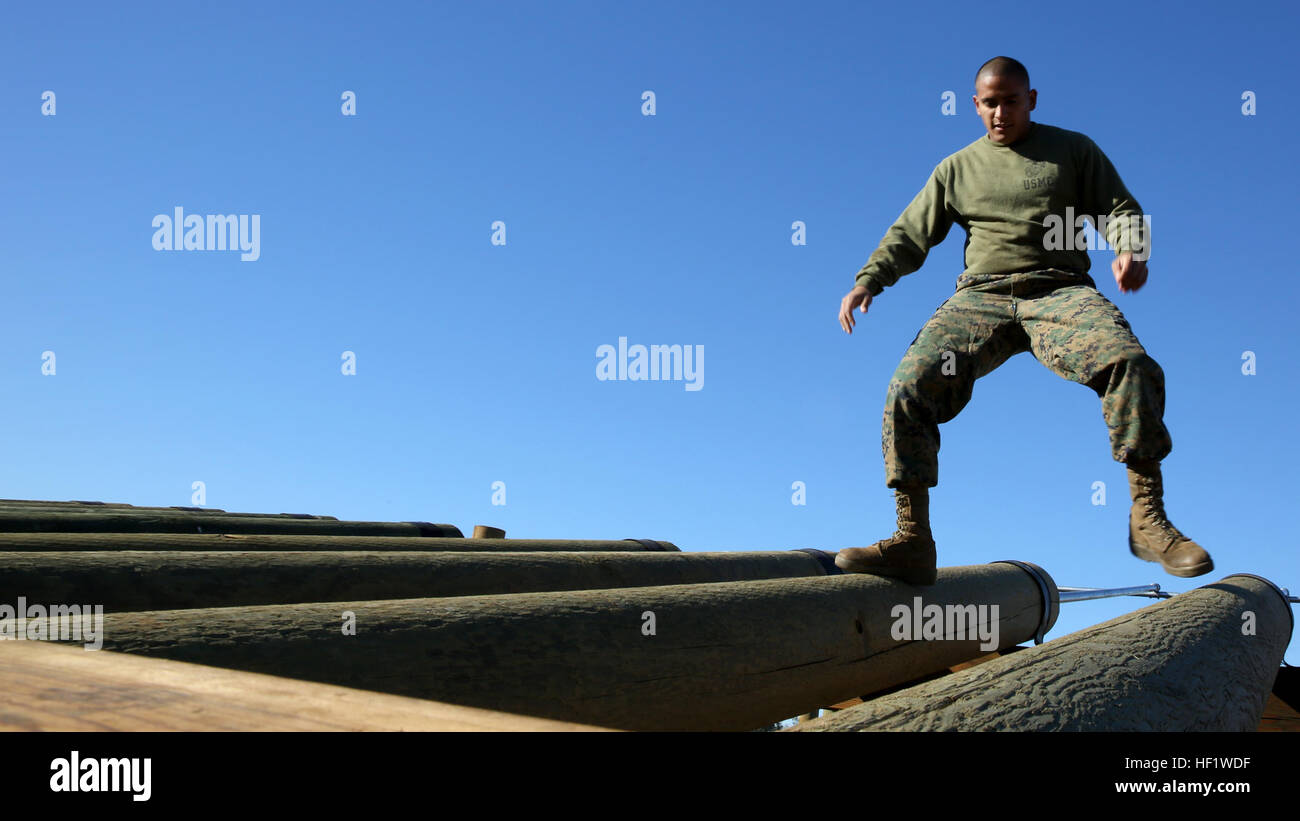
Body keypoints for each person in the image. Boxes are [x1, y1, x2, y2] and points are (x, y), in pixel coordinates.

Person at [834, 56, 1212, 585]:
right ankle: (912, 540)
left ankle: (1148, 518)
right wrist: (868, 281)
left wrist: (1132, 248)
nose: (1000, 113)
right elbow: (910, 233)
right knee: (908, 387)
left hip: (1059, 291)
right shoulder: (956, 168)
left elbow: (1121, 208)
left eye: (1011, 101)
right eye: (990, 103)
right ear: (975, 105)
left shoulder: (1072, 150)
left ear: (1031, 100)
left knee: (1129, 363)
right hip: (981, 298)